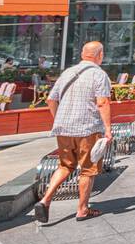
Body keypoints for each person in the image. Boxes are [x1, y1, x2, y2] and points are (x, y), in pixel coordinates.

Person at [34, 42, 112, 223]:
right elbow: (102, 103)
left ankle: (45, 200)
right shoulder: (98, 75)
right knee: (88, 169)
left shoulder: (68, 73)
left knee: (65, 166)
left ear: (83, 54)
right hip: (87, 128)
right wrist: (108, 129)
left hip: (64, 129)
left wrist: (58, 119)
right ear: (100, 55)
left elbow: (50, 100)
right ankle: (82, 209)